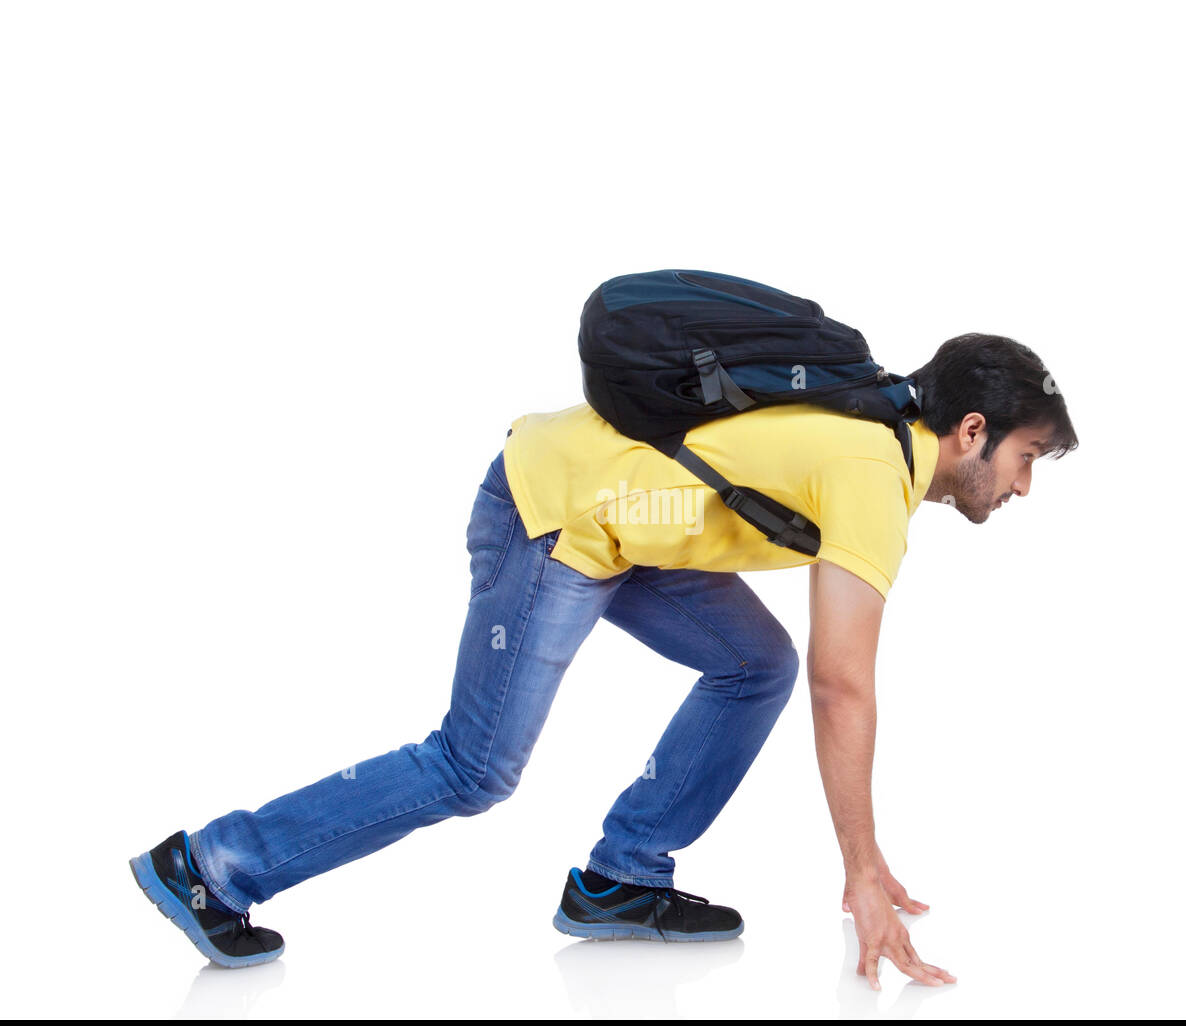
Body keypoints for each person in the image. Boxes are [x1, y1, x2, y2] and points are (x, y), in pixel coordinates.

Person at [130, 331, 1077, 988]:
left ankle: (622, 875)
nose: (1026, 486)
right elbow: (846, 685)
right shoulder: (877, 470)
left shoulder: (879, 431)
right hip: (557, 515)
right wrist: (862, 869)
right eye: (1028, 457)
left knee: (756, 663)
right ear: (972, 433)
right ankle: (214, 863)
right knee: (474, 766)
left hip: (635, 526)